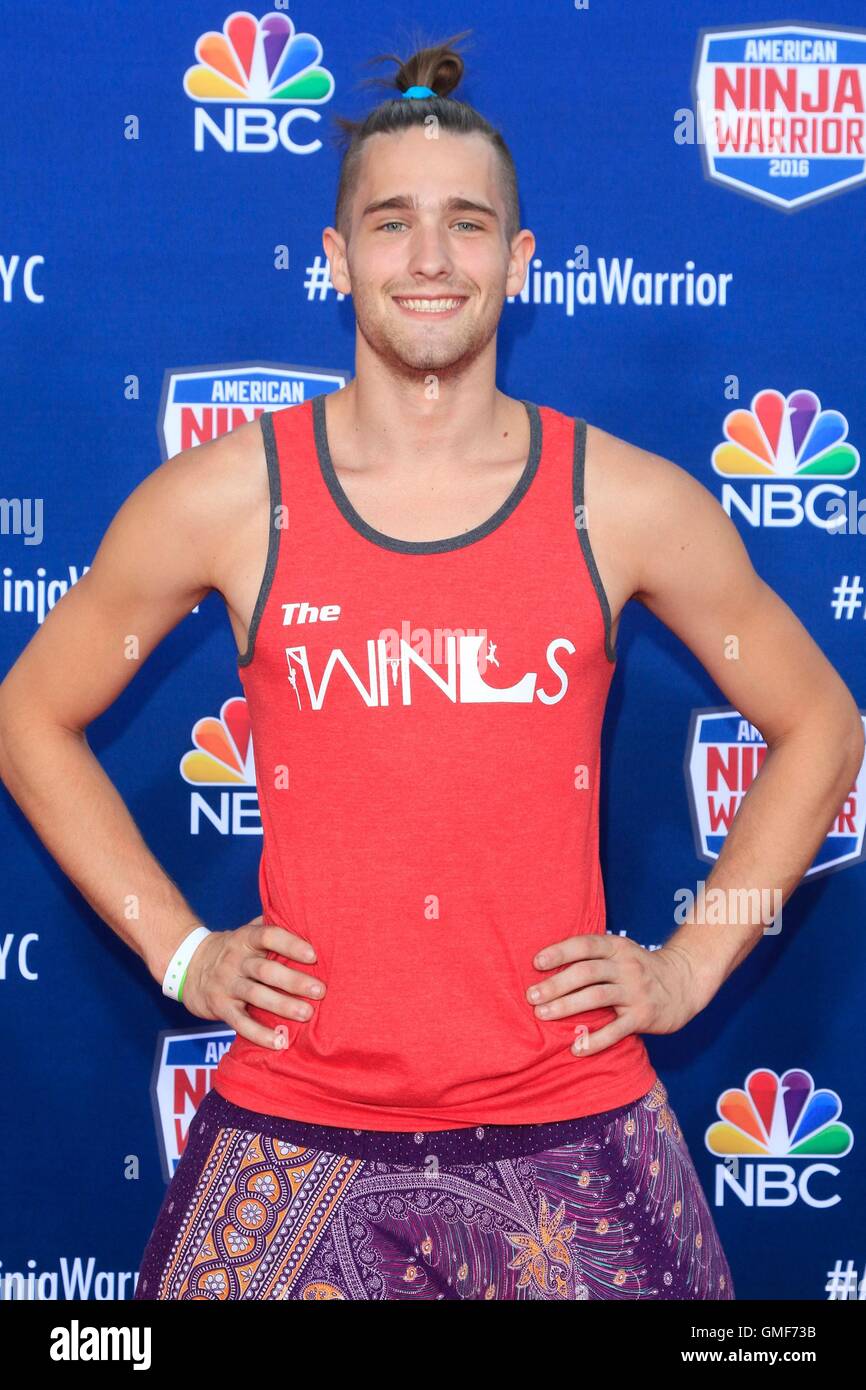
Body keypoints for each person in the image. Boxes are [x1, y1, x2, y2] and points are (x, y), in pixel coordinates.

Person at [1, 30, 862, 1303]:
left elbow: (819, 720)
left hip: (570, 1118)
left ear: (516, 263)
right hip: (291, 1118)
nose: (427, 257)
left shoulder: (619, 501)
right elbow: (29, 714)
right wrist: (183, 952)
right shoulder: (229, 499)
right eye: (391, 223)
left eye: (465, 225)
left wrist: (686, 964)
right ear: (337, 258)